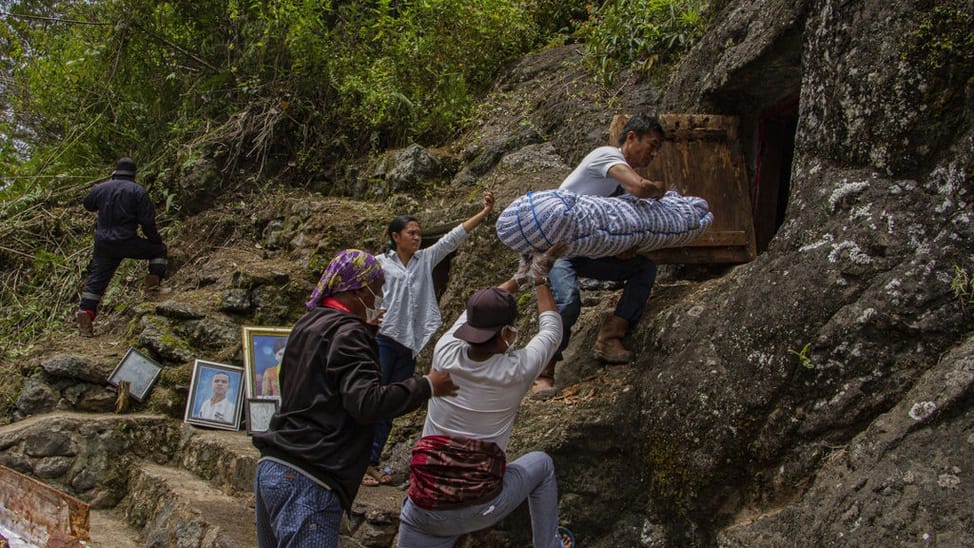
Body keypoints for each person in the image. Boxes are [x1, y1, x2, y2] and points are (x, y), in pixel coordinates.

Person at [252, 249, 458, 548]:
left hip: (275, 463)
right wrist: (426, 385)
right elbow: (366, 403)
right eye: (376, 290)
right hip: (310, 476)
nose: (378, 299)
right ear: (358, 290)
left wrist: (366, 333)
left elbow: (322, 385)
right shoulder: (349, 333)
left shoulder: (308, 323)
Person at [396, 246, 574, 548]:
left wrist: (517, 279)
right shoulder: (517, 370)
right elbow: (552, 330)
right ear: (506, 333)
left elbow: (477, 310)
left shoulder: (444, 351)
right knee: (542, 464)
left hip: (424, 508)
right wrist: (539, 279)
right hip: (480, 507)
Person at [531, 114, 666, 399]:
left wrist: (621, 248)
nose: (654, 154)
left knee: (643, 269)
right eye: (652, 145)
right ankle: (543, 372)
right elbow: (640, 188)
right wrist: (659, 188)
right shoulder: (606, 157)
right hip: (559, 249)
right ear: (632, 137)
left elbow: (611, 224)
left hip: (590, 252)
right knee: (568, 302)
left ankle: (610, 336)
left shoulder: (621, 183)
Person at [366, 191, 495, 486]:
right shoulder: (378, 264)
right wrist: (368, 318)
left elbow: (452, 238)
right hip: (383, 340)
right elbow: (363, 291)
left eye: (419, 233)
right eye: (411, 233)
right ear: (395, 236)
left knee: (392, 405)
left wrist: (484, 213)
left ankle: (371, 461)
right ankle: (358, 461)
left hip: (408, 344)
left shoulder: (424, 260)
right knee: (373, 400)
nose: (417, 237)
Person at [75, 157, 169, 337]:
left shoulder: (101, 188)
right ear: (134, 173)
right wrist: (156, 240)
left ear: (115, 171)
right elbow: (147, 222)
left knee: (97, 280)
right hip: (127, 241)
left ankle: (85, 315)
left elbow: (88, 205)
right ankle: (152, 289)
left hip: (103, 244)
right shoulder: (137, 191)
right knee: (159, 251)